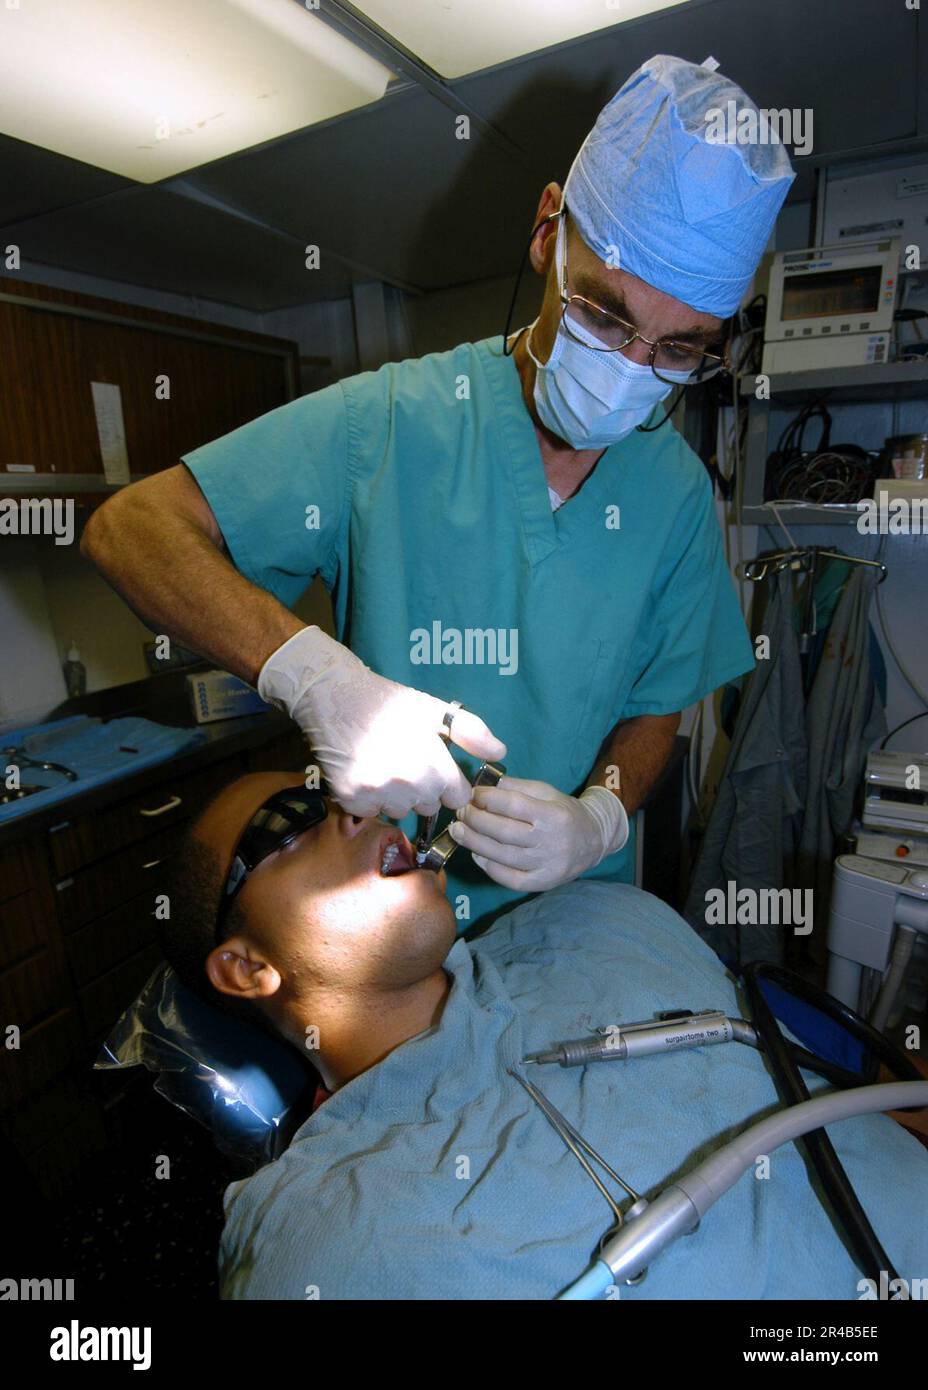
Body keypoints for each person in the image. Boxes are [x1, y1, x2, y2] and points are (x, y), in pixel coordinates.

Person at [84, 54, 796, 930]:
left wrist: (600, 814)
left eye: (678, 350)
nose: (628, 369)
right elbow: (132, 529)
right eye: (604, 314)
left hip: (574, 925)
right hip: (391, 923)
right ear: (547, 233)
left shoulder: (679, 494)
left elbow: (659, 703)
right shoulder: (388, 424)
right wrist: (317, 679)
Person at [160, 772, 928, 1301]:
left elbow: (842, 1079)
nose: (358, 810)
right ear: (246, 967)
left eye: (343, 791)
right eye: (289, 823)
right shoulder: (317, 1239)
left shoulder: (601, 915)